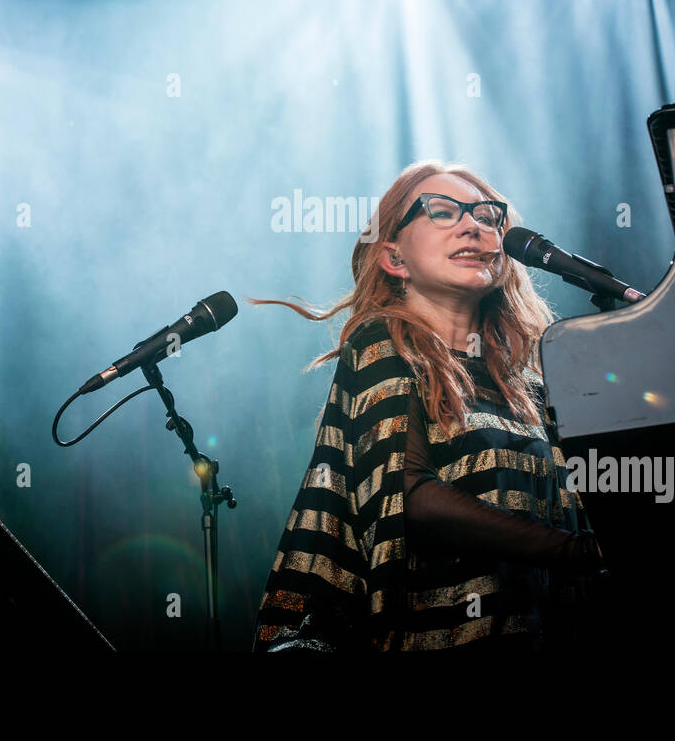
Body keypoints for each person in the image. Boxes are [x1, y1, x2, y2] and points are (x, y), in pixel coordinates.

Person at [250, 160, 608, 652]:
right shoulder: (383, 344)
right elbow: (410, 495)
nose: (473, 226)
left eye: (487, 217)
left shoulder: (532, 378)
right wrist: (577, 552)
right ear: (394, 258)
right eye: (442, 212)